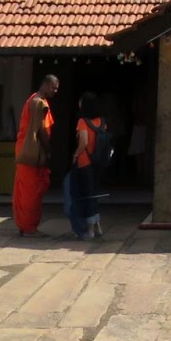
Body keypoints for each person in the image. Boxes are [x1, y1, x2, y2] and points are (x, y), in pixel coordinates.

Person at [12, 74, 58, 236]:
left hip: (24, 150)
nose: (55, 91)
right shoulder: (39, 103)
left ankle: (23, 225)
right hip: (32, 152)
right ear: (45, 85)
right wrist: (49, 149)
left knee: (24, 190)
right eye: (53, 87)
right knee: (32, 192)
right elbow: (42, 130)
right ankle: (29, 228)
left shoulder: (32, 99)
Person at [65, 91, 108, 240]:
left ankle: (90, 229)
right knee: (95, 194)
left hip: (85, 163)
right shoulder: (102, 121)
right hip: (98, 163)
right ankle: (98, 226)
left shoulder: (82, 122)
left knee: (86, 196)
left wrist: (75, 155)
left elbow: (83, 142)